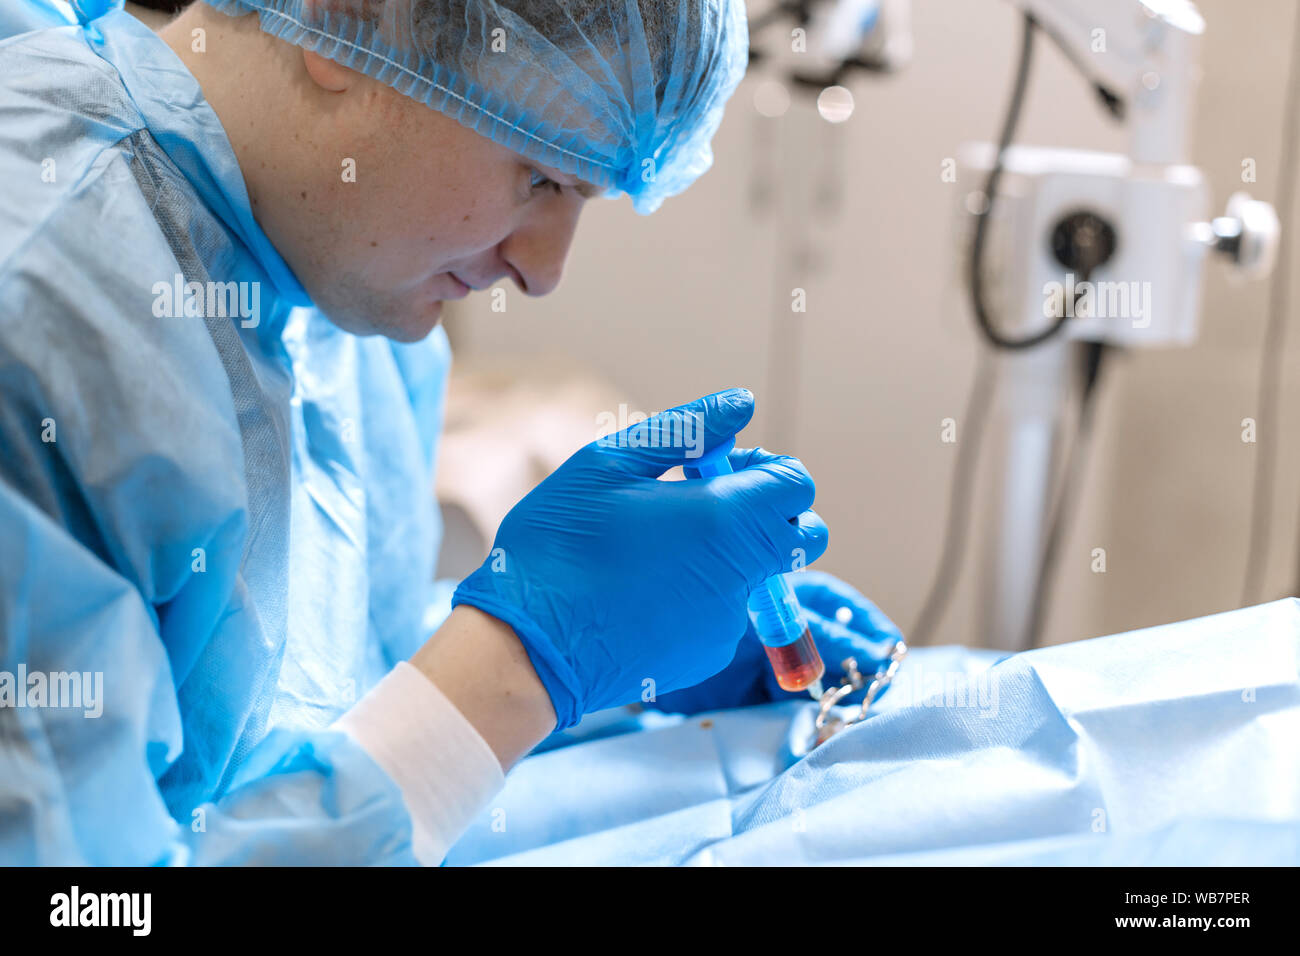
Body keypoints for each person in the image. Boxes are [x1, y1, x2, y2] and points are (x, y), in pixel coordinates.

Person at [0, 0, 901, 865]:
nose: (544, 271)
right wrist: (515, 669)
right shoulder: (42, 318)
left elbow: (281, 687)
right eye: (542, 174)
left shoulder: (334, 278)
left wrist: (597, 660)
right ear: (345, 17)